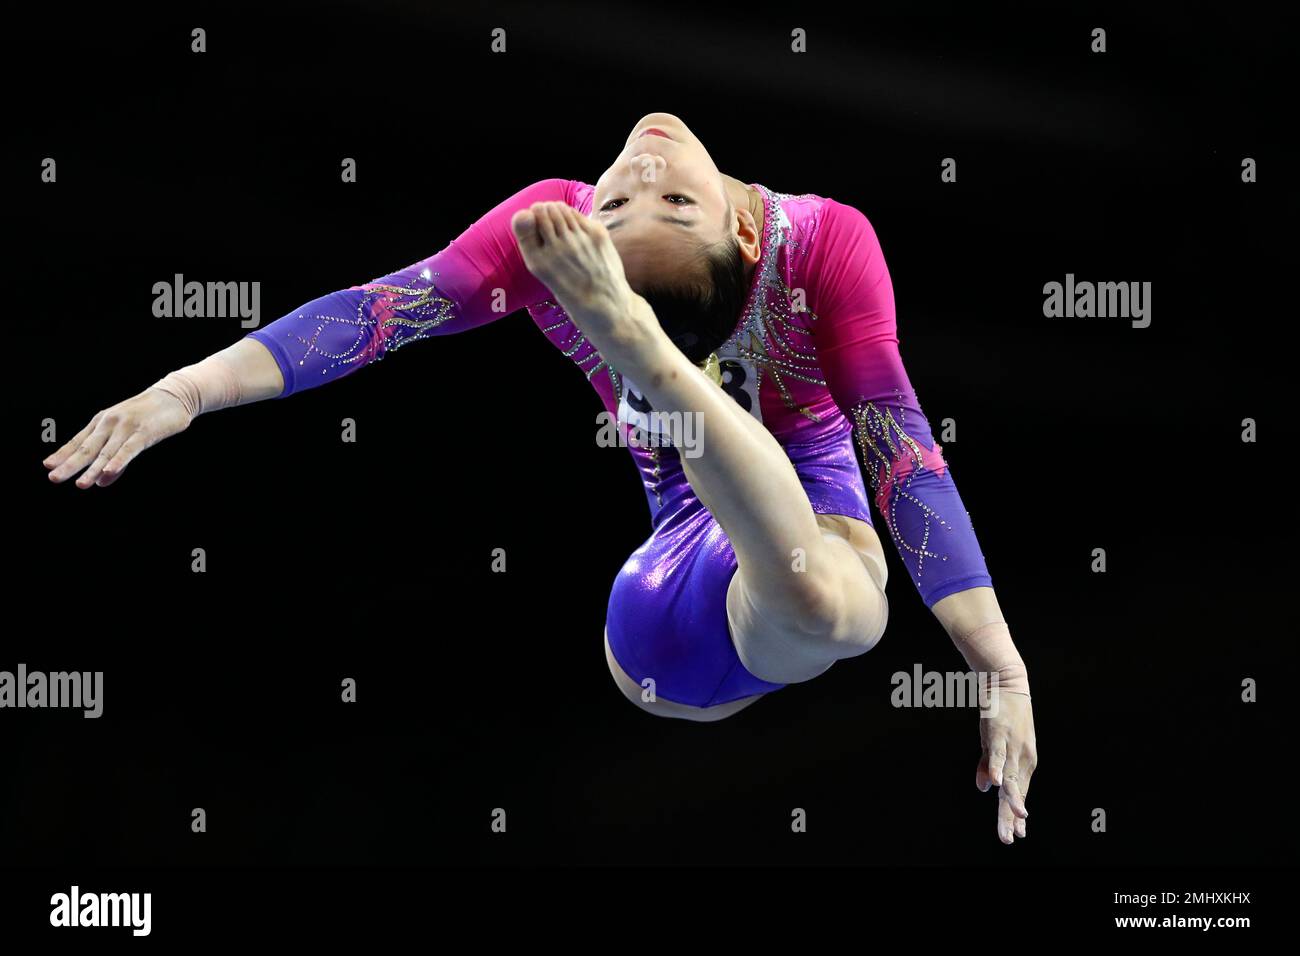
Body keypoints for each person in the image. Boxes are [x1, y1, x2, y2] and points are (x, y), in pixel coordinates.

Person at [43, 113, 1036, 843]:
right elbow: (375, 314)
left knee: (836, 601)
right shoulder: (555, 233)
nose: (641, 171)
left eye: (665, 202)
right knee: (843, 611)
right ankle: (658, 368)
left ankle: (656, 366)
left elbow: (895, 434)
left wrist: (993, 654)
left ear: (744, 236)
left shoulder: (814, 245)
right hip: (683, 595)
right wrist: (189, 390)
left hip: (724, 592)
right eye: (623, 201)